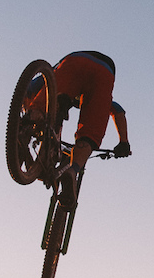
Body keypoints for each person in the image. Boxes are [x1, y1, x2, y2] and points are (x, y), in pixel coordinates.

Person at [32, 50, 129, 207]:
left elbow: (31, 87)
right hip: (105, 71)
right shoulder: (87, 95)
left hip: (74, 60)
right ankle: (73, 170)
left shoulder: (63, 72)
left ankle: (40, 114)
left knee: (41, 104)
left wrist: (29, 116)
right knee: (90, 133)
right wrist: (123, 142)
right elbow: (118, 110)